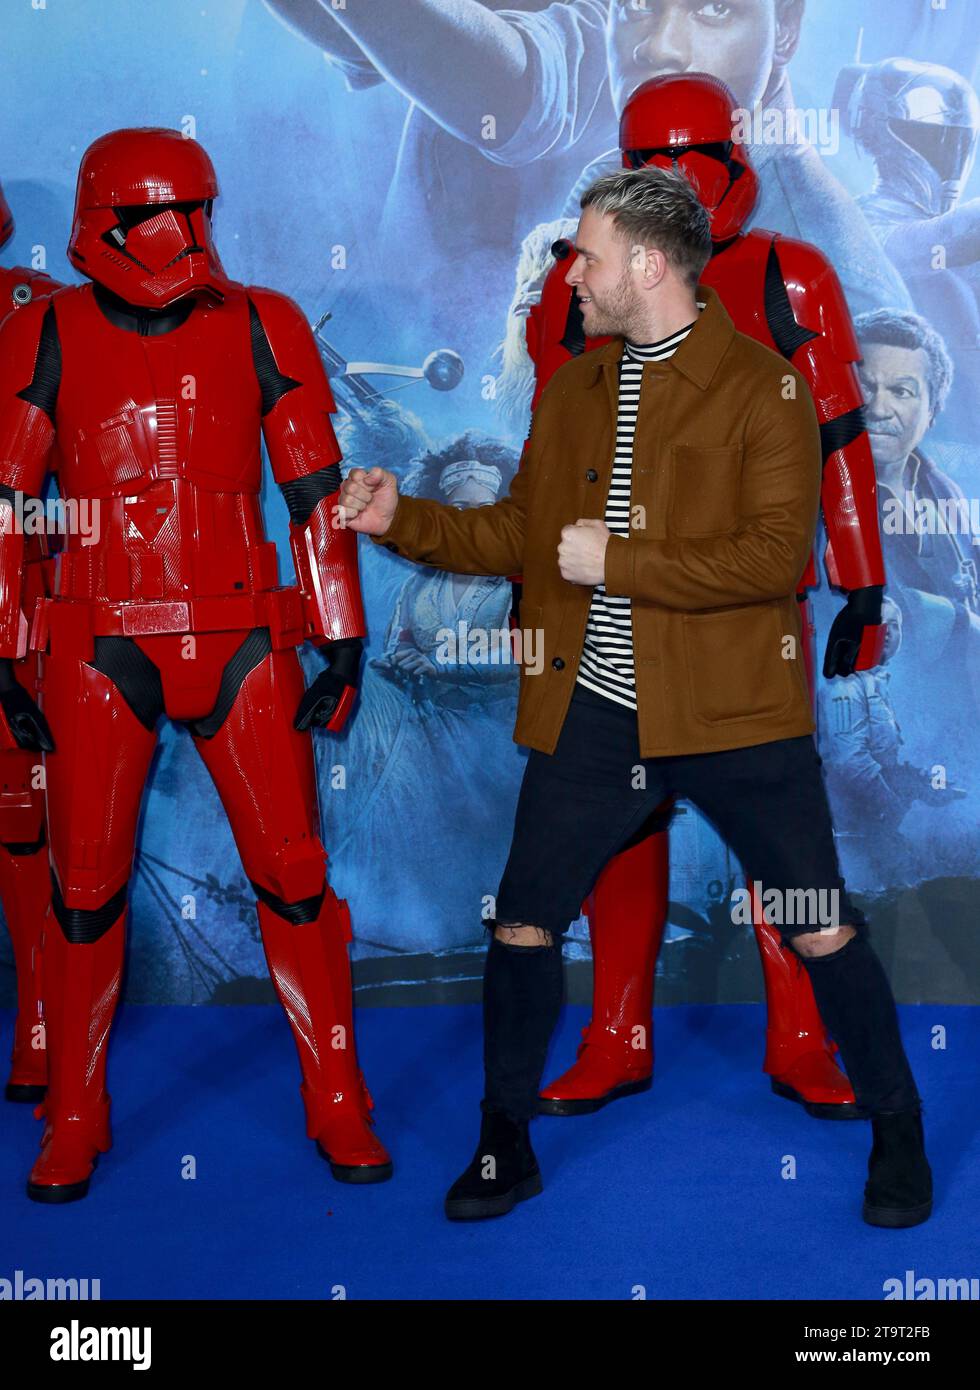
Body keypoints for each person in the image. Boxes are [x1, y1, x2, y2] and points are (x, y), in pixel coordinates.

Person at [339, 166, 932, 1228]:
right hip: (595, 713)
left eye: (586, 254)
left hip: (734, 715)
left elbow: (764, 559)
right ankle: (500, 1144)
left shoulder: (766, 388)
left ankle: (899, 1132)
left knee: (818, 925)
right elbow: (521, 537)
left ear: (646, 266)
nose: (570, 273)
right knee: (521, 924)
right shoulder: (572, 388)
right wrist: (402, 522)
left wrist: (619, 559)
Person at [0, 128, 391, 1202]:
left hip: (240, 637)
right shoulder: (46, 331)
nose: (187, 237)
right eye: (163, 216)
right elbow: (4, 497)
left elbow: (315, 487)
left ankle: (338, 1096)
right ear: (104, 222)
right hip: (99, 641)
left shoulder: (265, 321)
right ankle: (75, 1110)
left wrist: (340, 628)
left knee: (295, 880)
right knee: (84, 891)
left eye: (200, 211)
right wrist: (5, 646)